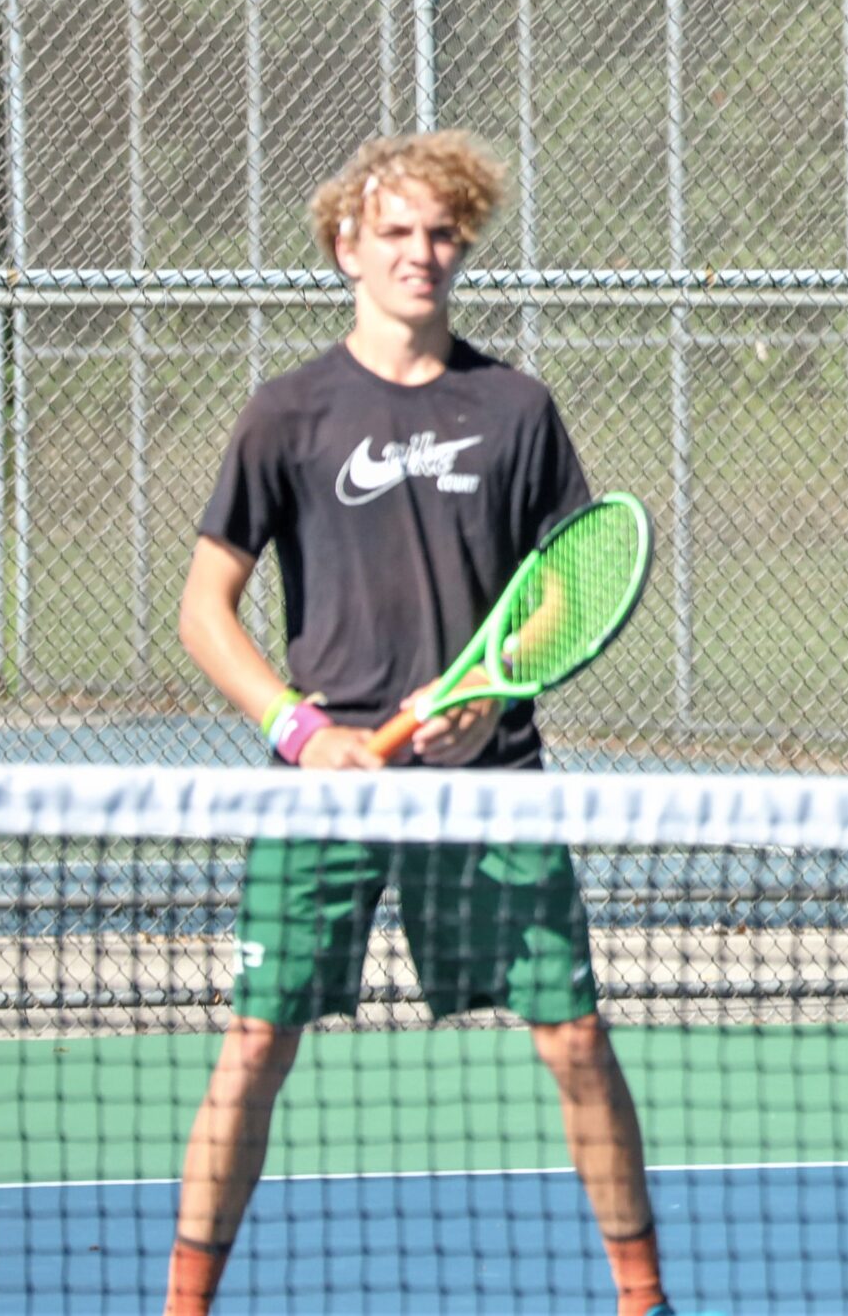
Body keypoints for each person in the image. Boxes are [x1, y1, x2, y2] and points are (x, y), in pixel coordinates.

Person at [164, 132, 676, 1316]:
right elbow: (205, 606)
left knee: (576, 1039)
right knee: (253, 1043)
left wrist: (494, 690)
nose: (420, 253)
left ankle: (644, 1301)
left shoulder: (517, 407)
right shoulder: (287, 412)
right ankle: (183, 1307)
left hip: (492, 783)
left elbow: (562, 587)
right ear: (346, 245)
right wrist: (301, 731)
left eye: (442, 232)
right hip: (325, 787)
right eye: (393, 231)